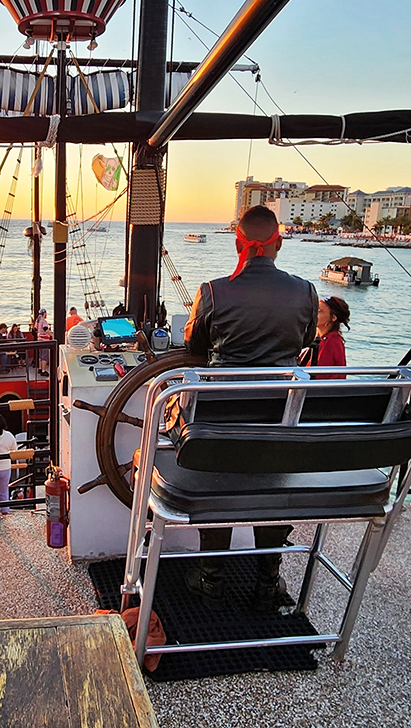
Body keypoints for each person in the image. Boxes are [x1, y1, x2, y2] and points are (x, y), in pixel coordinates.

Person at [183, 205, 318, 612]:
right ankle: (267, 582)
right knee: (272, 479)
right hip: (280, 423)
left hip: (220, 427)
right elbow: (304, 341)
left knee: (215, 473)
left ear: (238, 243)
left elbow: (194, 346)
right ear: (278, 243)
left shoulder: (212, 292)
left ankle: (211, 578)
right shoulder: (306, 292)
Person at [316, 296, 350, 378]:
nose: (313, 313)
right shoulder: (323, 339)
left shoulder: (330, 343)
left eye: (319, 311)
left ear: (333, 318)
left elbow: (319, 376)